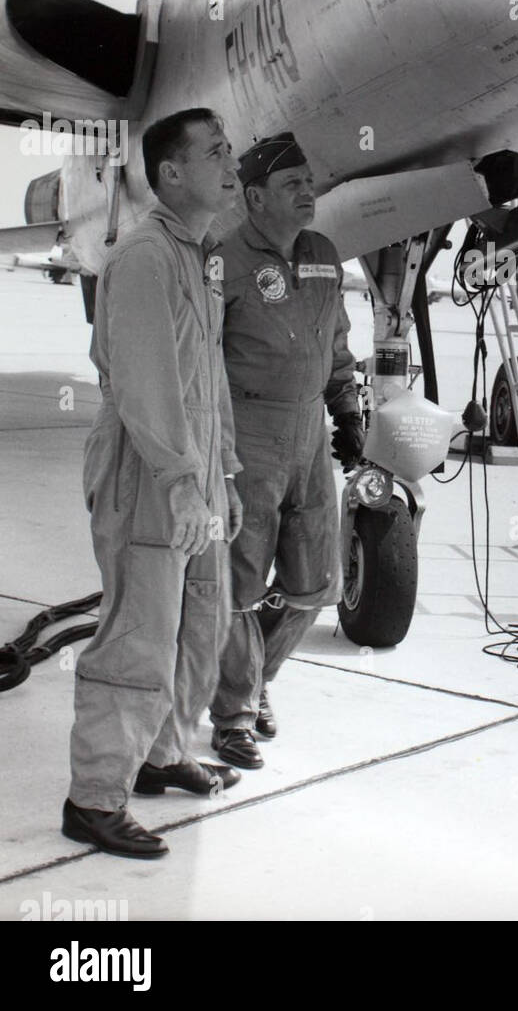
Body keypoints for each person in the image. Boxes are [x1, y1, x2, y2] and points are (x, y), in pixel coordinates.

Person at [63, 108, 245, 860]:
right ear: (172, 173)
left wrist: (222, 473)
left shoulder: (196, 255)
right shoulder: (145, 255)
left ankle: (161, 755)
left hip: (191, 467)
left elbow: (208, 377)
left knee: (203, 617)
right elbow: (143, 384)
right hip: (150, 468)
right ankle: (94, 799)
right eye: (215, 152)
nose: (231, 162)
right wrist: (179, 479)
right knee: (141, 632)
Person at [210, 133, 364, 769]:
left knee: (313, 585)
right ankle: (233, 715)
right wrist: (215, 450)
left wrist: (347, 409)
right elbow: (204, 359)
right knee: (240, 586)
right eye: (291, 184)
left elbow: (335, 342)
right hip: (248, 434)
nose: (308, 192)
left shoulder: (324, 254)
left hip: (308, 435)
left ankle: (255, 682)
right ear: (254, 198)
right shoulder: (223, 260)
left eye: (308, 180)